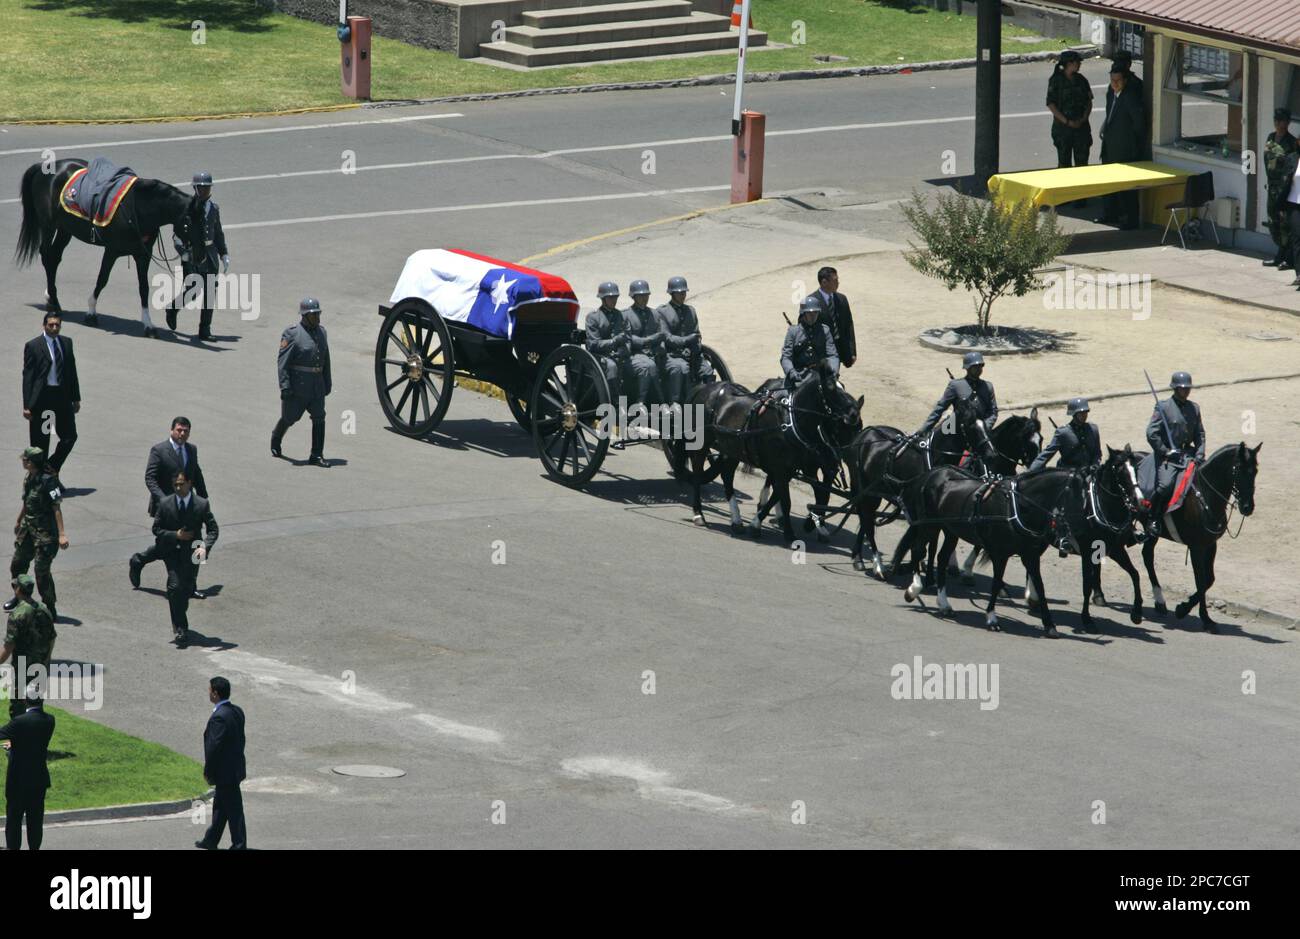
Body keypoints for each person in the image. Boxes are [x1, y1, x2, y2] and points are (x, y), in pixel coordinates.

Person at [130, 417, 208, 593]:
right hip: (167, 508)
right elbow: (150, 478)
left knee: (197, 544)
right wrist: (164, 501)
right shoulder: (159, 450)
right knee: (167, 547)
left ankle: (191, 585)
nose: (182, 433)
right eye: (179, 430)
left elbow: (196, 472)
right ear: (171, 430)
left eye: (185, 431)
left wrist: (203, 498)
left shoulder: (192, 449)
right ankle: (139, 560)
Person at [151, 470, 218, 645]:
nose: (178, 487)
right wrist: (175, 535)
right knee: (174, 587)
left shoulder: (201, 504)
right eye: (176, 485)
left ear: (189, 483)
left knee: (186, 590)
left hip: (196, 551)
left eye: (182, 484)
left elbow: (213, 530)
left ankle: (182, 609)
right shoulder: (165, 503)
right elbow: (156, 529)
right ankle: (180, 628)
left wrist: (205, 547)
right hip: (172, 551)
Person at [166, 171, 229, 342]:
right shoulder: (187, 209)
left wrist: (224, 254)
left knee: (209, 292)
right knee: (193, 290)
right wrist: (183, 253)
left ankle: (205, 329)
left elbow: (218, 233)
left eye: (206, 188)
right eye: (200, 188)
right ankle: (172, 309)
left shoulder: (214, 209)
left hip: (210, 255)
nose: (203, 191)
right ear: (195, 189)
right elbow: (176, 236)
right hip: (192, 255)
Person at [6, 447, 67, 622]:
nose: (23, 462)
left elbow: (56, 508)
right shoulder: (29, 477)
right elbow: (26, 502)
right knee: (18, 565)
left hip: (45, 533)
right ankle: (20, 598)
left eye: (24, 460)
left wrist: (62, 534)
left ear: (31, 462)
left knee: (41, 571)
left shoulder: (49, 481)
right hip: (28, 530)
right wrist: (19, 521)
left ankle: (49, 606)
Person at [1141, 371, 1206, 531]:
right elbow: (1152, 433)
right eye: (1182, 388)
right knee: (1165, 485)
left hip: (1188, 455)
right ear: (1175, 389)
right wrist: (1164, 451)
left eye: (1188, 388)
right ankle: (1154, 518)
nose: (1186, 391)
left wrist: (1199, 453)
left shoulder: (1194, 408)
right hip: (1168, 458)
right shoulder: (1163, 407)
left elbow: (1200, 434)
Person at [272, 298, 332, 466]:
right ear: (304, 316)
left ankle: (316, 454)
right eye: (313, 315)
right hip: (298, 387)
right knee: (289, 418)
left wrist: (328, 382)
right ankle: (276, 437)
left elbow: (326, 359)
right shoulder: (292, 333)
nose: (317, 317)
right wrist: (285, 386)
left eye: (318, 313)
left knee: (319, 418)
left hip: (317, 386)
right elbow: (282, 362)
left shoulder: (322, 332)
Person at [21, 311, 81, 477]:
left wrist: (76, 398)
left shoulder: (66, 343)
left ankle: (51, 466)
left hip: (62, 397)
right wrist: (27, 405)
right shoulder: (34, 346)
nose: (54, 328)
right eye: (51, 325)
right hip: (43, 399)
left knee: (70, 436)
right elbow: (28, 377)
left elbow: (72, 372)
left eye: (57, 325)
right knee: (41, 441)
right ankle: (41, 480)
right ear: (44, 325)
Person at [0, 682, 55, 851]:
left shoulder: (19, 722)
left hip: (18, 779)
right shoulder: (49, 720)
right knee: (35, 820)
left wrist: (10, 747)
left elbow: (2, 735)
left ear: (25, 699)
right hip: (38, 778)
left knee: (14, 819)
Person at [196, 676, 247, 850]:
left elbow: (213, 748)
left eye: (210, 690)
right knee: (220, 807)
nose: (208, 693)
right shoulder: (237, 711)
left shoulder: (219, 717)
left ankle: (239, 844)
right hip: (235, 769)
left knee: (234, 810)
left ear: (216, 694)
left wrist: (208, 771)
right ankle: (211, 840)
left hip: (224, 773)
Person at [0, 575, 57, 718]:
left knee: (18, 710)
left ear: (18, 589)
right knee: (35, 707)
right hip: (40, 667)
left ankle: (19, 739)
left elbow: (7, 648)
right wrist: (46, 661)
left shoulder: (17, 615)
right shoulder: (44, 610)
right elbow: (52, 638)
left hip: (23, 668)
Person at [1098, 65, 1146, 230]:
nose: (1115, 84)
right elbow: (1109, 115)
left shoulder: (1130, 97)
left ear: (1125, 80)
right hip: (1110, 148)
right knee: (1109, 184)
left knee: (1127, 189)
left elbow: (1139, 124)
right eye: (1112, 80)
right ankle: (1110, 214)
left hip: (1125, 150)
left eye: (1118, 80)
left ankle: (1130, 219)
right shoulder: (1111, 94)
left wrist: (1132, 143)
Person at [915, 351, 998, 443]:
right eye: (975, 367)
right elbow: (940, 408)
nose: (978, 369)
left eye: (980, 366)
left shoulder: (988, 386)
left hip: (981, 433)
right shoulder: (955, 385)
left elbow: (993, 412)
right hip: (958, 431)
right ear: (968, 368)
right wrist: (924, 429)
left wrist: (983, 427)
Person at [655, 275, 713, 403]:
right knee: (681, 368)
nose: (682, 295)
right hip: (672, 355)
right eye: (679, 293)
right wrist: (687, 340)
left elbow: (696, 334)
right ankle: (677, 403)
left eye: (684, 292)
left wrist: (695, 348)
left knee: (707, 370)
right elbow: (667, 338)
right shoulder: (661, 312)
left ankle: (707, 400)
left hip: (692, 354)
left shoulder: (690, 311)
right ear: (672, 293)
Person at [1263, 109, 1299, 269]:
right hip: (1271, 187)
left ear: (1287, 122)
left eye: (1281, 120)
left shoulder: (1291, 142)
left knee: (1286, 224)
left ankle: (1286, 257)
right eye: (1276, 120)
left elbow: (1291, 166)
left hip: (1283, 189)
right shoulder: (1271, 138)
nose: (1278, 123)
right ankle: (1280, 252)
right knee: (1273, 221)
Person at [1046, 50, 1093, 170]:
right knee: (1064, 165)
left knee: (1082, 165)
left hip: (1081, 129)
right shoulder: (1056, 80)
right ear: (1069, 63)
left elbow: (1089, 101)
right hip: (1063, 130)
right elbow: (1051, 104)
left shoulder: (1082, 80)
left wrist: (1083, 119)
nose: (1079, 65)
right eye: (1077, 62)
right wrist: (1067, 122)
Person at [622, 280, 667, 404]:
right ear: (633, 297)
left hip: (655, 352)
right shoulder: (626, 315)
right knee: (650, 366)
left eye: (646, 295)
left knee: (679, 366)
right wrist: (651, 340)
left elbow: (662, 335)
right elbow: (630, 339)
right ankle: (644, 402)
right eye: (640, 295)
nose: (644, 298)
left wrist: (661, 347)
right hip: (636, 354)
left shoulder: (655, 314)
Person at [781, 296, 839, 390]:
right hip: (798, 377)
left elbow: (832, 355)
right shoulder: (793, 332)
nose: (813, 316)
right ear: (803, 314)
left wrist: (833, 371)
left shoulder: (825, 330)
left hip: (820, 376)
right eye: (810, 313)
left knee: (840, 393)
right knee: (783, 398)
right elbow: (786, 357)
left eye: (815, 312)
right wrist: (791, 372)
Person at [585, 282, 632, 396]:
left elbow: (628, 338)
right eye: (610, 297)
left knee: (640, 365)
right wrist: (614, 341)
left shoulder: (622, 316)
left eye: (615, 297)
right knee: (611, 367)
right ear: (603, 299)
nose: (614, 300)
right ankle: (615, 401)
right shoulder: (593, 317)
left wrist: (625, 350)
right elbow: (594, 344)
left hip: (620, 354)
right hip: (599, 356)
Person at [1029, 397, 1101, 471]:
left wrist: (1095, 465)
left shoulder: (1093, 429)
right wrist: (1031, 471)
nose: (1084, 415)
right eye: (1081, 413)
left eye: (1085, 412)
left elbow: (1097, 453)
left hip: (1089, 471)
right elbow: (1047, 453)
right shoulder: (1063, 433)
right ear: (1074, 414)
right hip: (1069, 473)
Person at [808, 266, 856, 369]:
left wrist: (852, 351)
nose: (838, 283)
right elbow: (805, 330)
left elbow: (849, 325)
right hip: (821, 352)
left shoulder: (842, 299)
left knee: (834, 378)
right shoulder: (811, 301)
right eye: (835, 280)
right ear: (824, 282)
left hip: (839, 348)